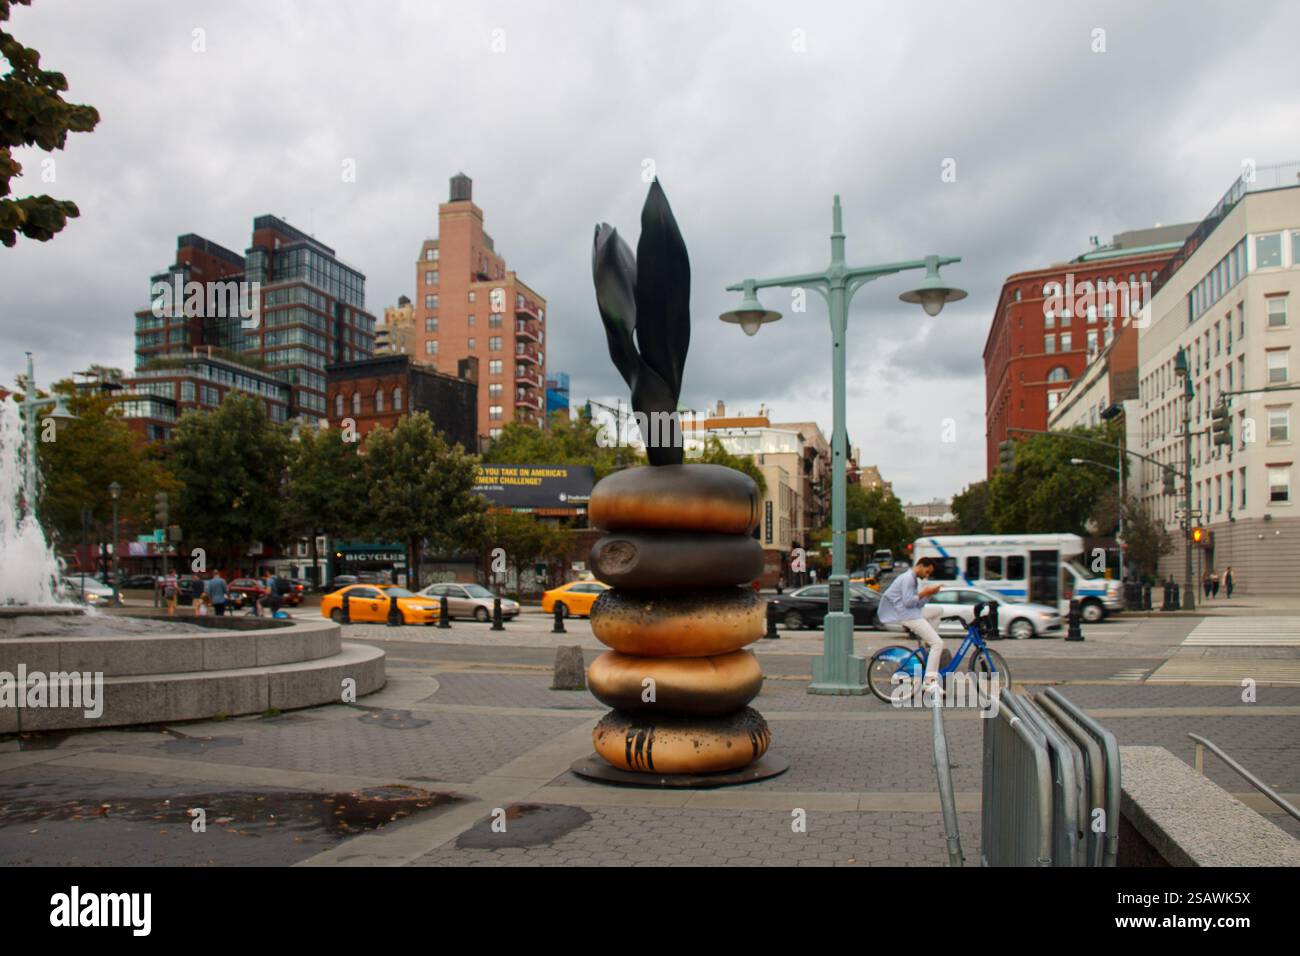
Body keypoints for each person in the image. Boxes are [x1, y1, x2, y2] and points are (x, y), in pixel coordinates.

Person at [877, 556, 945, 692]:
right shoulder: (908, 578)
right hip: (908, 615)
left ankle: (928, 642)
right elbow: (908, 602)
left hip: (913, 612)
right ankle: (929, 682)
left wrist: (929, 594)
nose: (926, 576)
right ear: (920, 565)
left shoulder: (913, 579)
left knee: (938, 610)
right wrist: (924, 592)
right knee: (938, 644)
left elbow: (918, 604)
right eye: (927, 572)